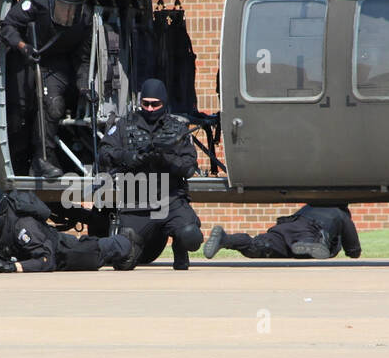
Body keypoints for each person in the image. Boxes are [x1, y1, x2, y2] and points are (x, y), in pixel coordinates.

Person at [98, 77, 202, 270]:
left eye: (156, 104)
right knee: (123, 262)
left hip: (170, 200)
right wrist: (130, 157)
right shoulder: (124, 126)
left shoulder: (177, 128)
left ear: (164, 102)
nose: (150, 109)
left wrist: (167, 160)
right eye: (146, 104)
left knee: (191, 235)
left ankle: (180, 248)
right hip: (136, 202)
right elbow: (104, 154)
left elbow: (189, 167)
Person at [0, 0, 92, 178]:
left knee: (54, 105)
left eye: (72, 10)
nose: (66, 15)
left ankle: (44, 159)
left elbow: (83, 58)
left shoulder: (85, 19)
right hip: (25, 56)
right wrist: (23, 47)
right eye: (62, 8)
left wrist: (84, 86)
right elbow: (8, 27)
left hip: (56, 61)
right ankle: (16, 163)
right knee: (19, 114)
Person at [0, 179, 141, 272]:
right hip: (32, 255)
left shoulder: (23, 225)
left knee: (96, 252)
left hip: (60, 252)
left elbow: (46, 260)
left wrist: (14, 268)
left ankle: (126, 242)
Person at [203, 205, 362, 260]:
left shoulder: (308, 207)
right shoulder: (341, 215)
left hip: (285, 228)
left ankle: (226, 239)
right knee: (310, 244)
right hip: (309, 231)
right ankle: (305, 246)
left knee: (258, 246)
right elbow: (354, 250)